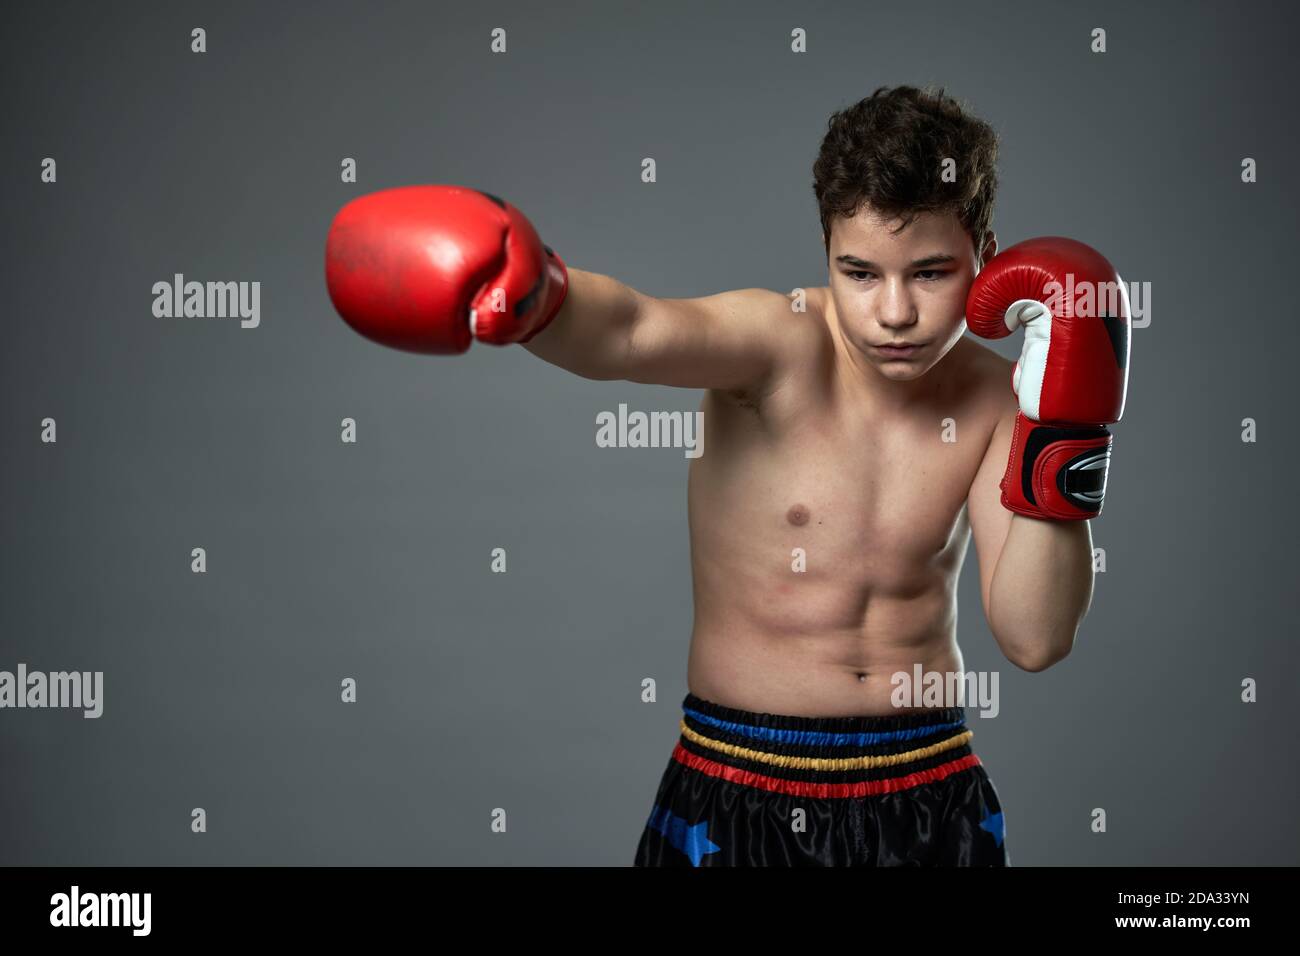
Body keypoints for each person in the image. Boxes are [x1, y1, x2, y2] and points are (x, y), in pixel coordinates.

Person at [324, 85, 1130, 866]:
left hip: (930, 787)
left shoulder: (997, 398)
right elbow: (633, 329)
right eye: (859, 273)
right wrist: (538, 297)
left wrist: (1064, 424)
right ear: (825, 253)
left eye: (929, 273)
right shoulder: (774, 345)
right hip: (741, 787)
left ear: (985, 260)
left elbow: (1036, 636)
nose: (892, 313)